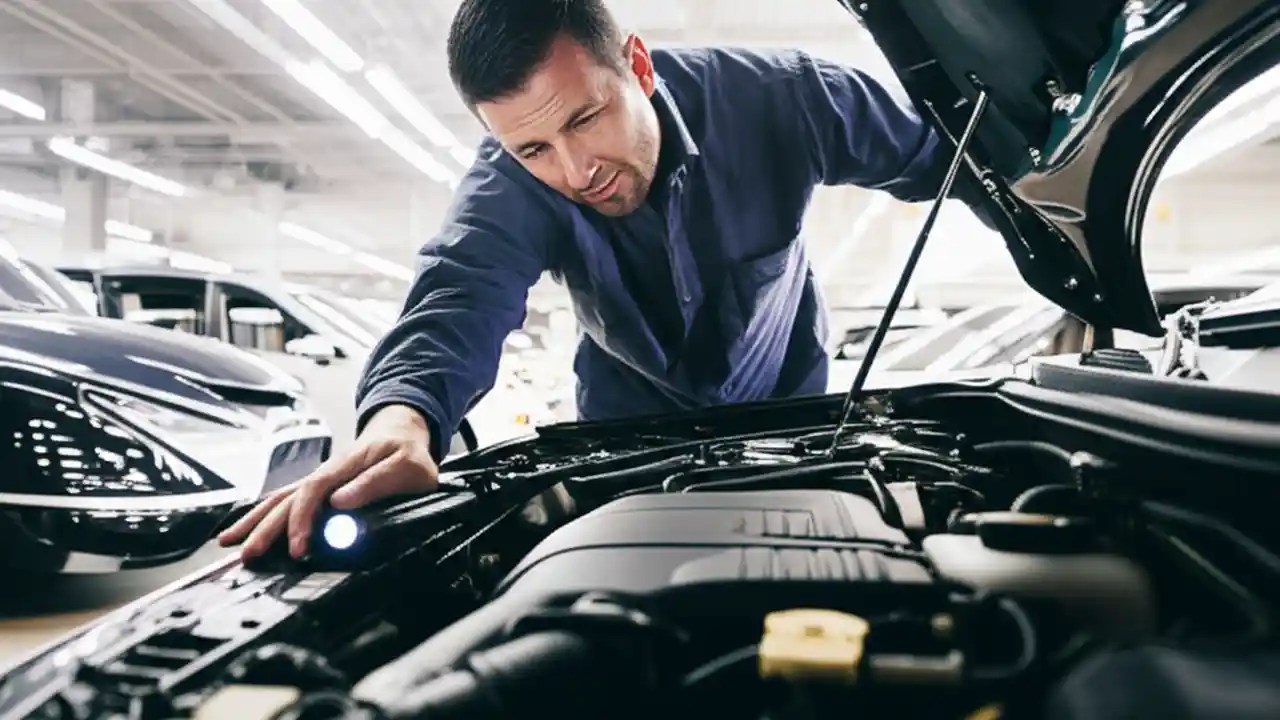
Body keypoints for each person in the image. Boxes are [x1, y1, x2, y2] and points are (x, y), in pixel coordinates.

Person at [219, 0, 987, 561]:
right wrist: (402, 419)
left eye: (585, 120)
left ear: (639, 67)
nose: (574, 171)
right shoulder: (512, 180)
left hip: (797, 428)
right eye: (533, 149)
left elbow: (972, 166)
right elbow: (460, 290)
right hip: (624, 440)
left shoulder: (787, 99)